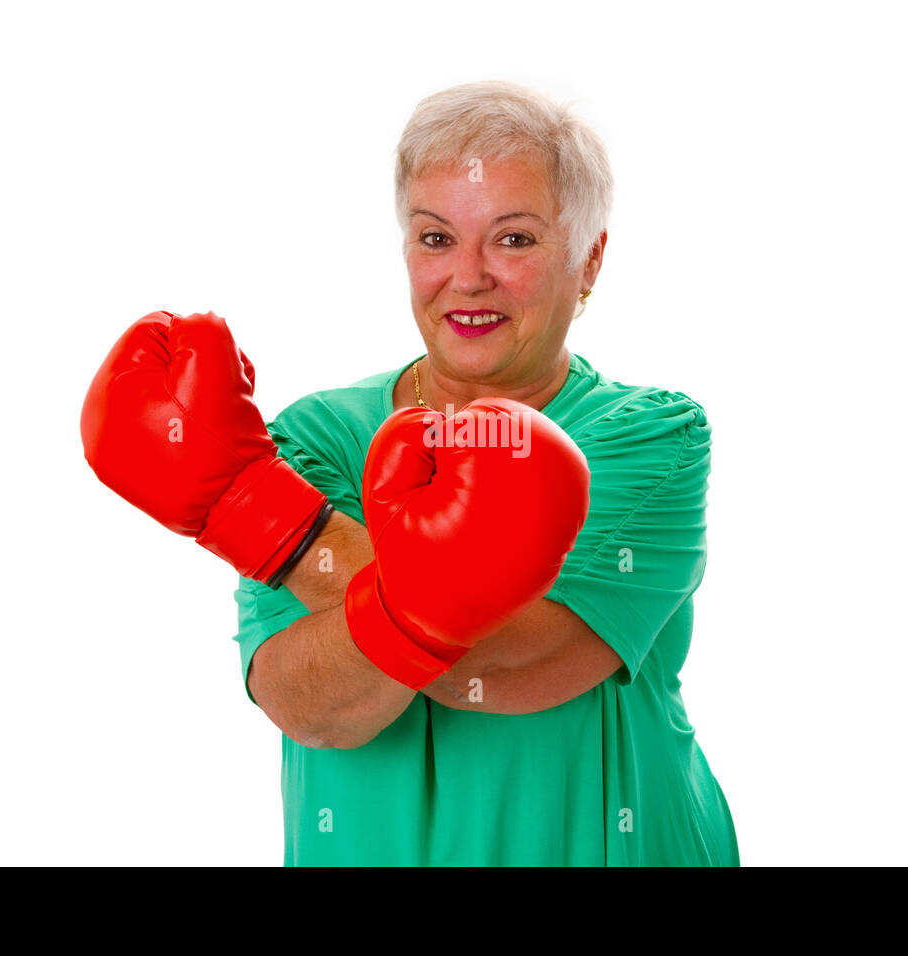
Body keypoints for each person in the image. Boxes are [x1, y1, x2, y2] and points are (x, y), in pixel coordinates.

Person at [82, 80, 738, 866]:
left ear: (590, 259)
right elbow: (314, 708)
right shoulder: (315, 438)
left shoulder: (649, 436)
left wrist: (257, 513)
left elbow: (518, 663)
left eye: (515, 240)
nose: (468, 277)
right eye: (435, 239)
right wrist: (276, 509)